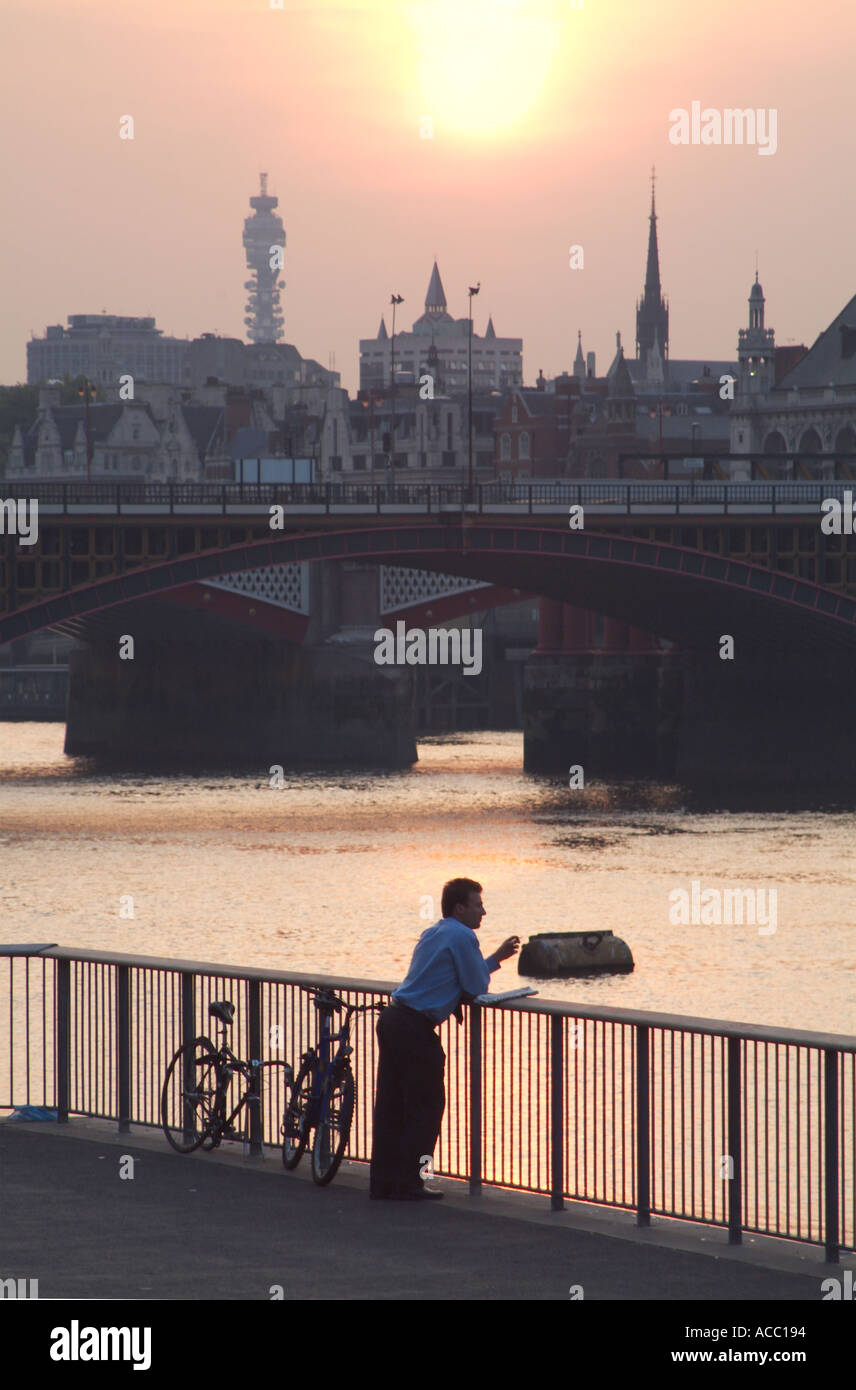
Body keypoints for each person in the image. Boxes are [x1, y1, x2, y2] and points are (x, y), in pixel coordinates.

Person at [369, 877, 520, 1202]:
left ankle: (384, 1183)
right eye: (478, 905)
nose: (484, 912)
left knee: (392, 1106)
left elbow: (449, 976)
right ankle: (411, 1181)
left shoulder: (434, 931)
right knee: (427, 1108)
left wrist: (493, 959)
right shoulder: (464, 936)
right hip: (416, 1028)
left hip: (394, 1017)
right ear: (460, 907)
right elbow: (477, 985)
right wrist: (491, 963)